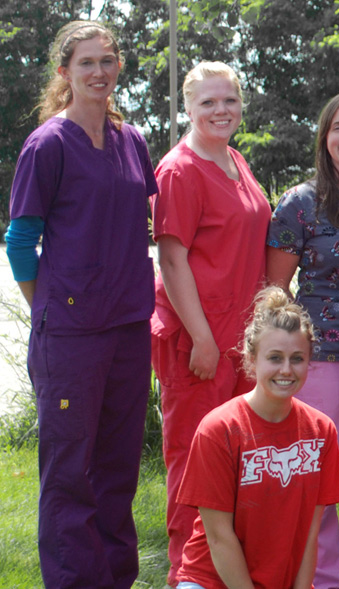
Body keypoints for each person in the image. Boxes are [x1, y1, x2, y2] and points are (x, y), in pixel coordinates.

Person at [6, 20, 156, 588]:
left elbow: (142, 224)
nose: (99, 72)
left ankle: (116, 579)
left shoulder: (131, 141)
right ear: (64, 72)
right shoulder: (47, 145)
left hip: (127, 326)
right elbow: (20, 241)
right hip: (69, 335)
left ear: (118, 68)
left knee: (117, 471)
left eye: (107, 61)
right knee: (70, 476)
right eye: (86, 63)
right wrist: (49, 304)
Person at [151, 61, 272, 585]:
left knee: (242, 461)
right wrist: (200, 337)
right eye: (208, 102)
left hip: (242, 340)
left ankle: (230, 572)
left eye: (230, 101)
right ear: (188, 107)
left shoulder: (234, 159)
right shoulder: (179, 169)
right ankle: (188, 577)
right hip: (198, 342)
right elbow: (172, 260)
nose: (220, 110)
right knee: (195, 465)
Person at [266, 90, 339, 589]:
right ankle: (321, 575)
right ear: (324, 136)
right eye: (338, 127)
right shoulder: (301, 202)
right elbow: (275, 291)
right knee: (318, 473)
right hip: (325, 359)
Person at [174, 287, 339, 589]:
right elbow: (218, 537)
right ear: (251, 359)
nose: (286, 369)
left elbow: (310, 534)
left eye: (297, 358)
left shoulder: (321, 432)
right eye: (275, 358)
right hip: (213, 580)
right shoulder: (219, 430)